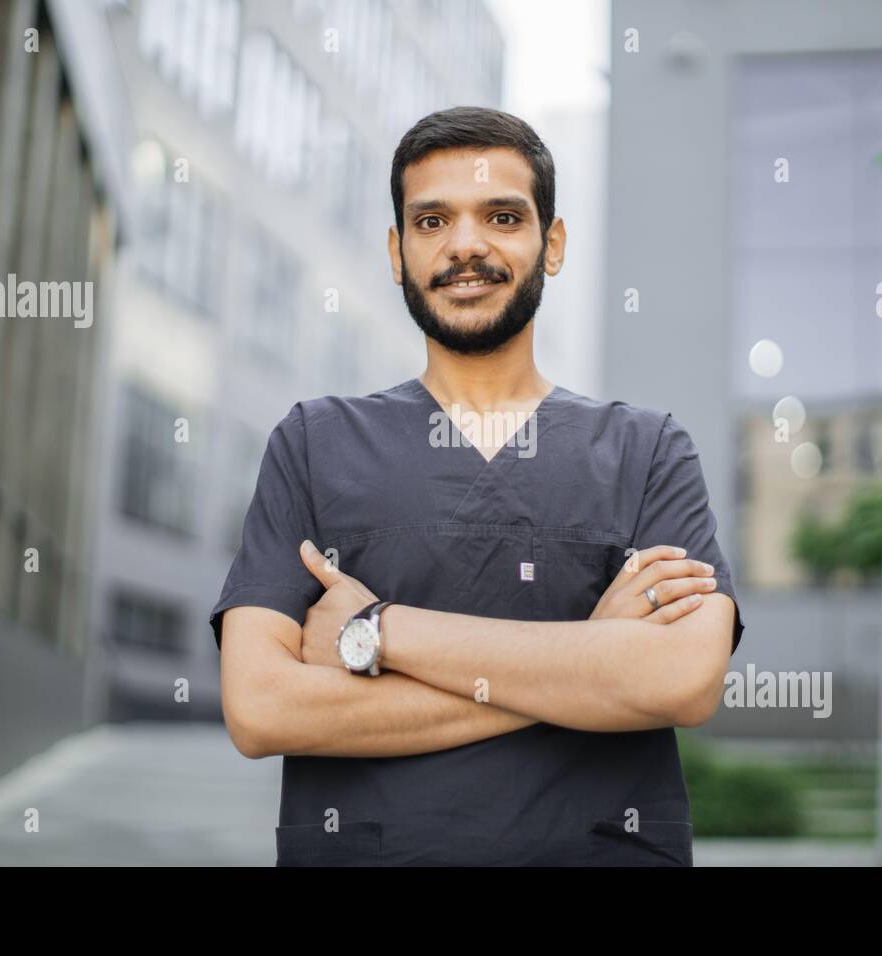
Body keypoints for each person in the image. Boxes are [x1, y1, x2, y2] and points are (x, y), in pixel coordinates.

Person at [210, 106, 745, 866]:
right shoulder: (314, 444)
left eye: (502, 217)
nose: (465, 246)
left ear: (552, 244)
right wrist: (591, 662)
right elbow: (261, 709)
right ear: (396, 253)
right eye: (432, 222)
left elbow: (683, 680)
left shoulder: (647, 451)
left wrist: (378, 633)